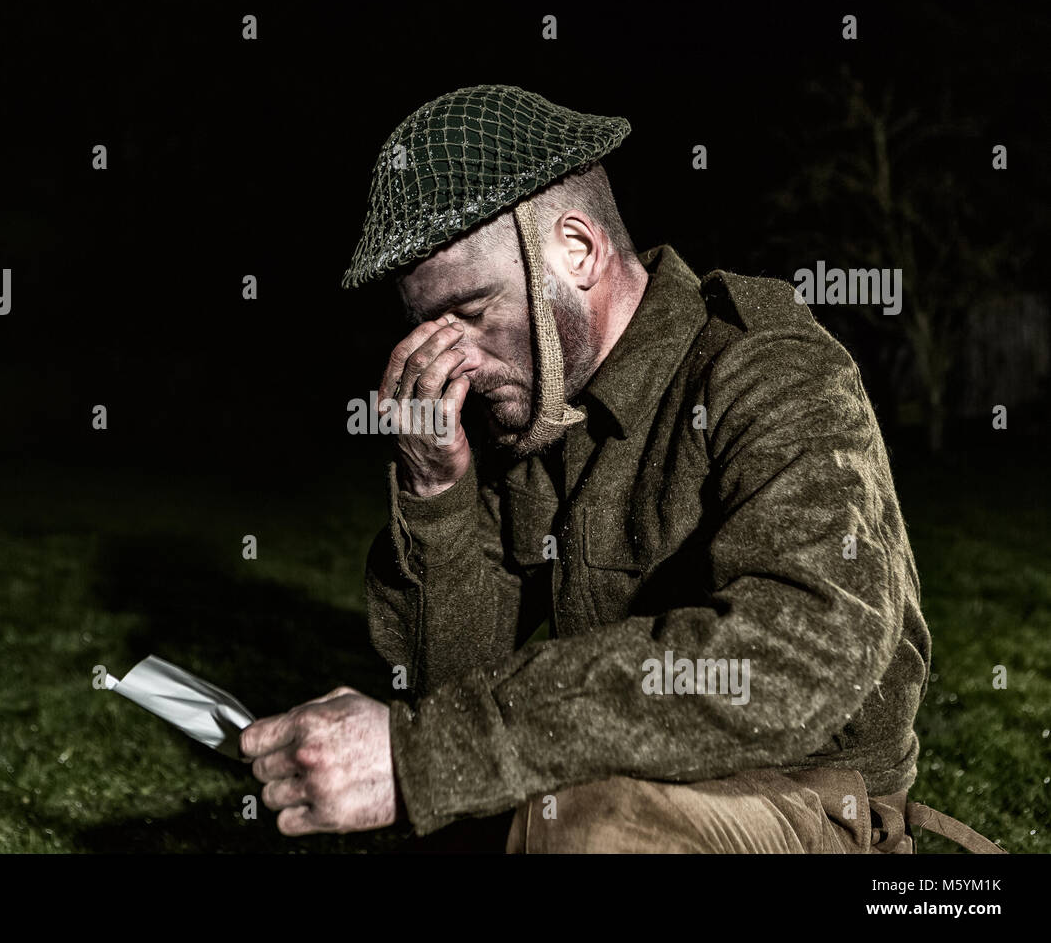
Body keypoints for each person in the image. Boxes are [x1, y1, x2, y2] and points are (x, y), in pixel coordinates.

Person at [239, 84, 1000, 854]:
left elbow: (800, 657)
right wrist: (436, 492)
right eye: (427, 327)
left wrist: (422, 755)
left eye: (468, 314)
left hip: (804, 791)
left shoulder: (769, 370)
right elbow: (451, 682)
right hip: (636, 774)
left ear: (577, 251)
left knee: (590, 830)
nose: (451, 364)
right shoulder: (541, 416)